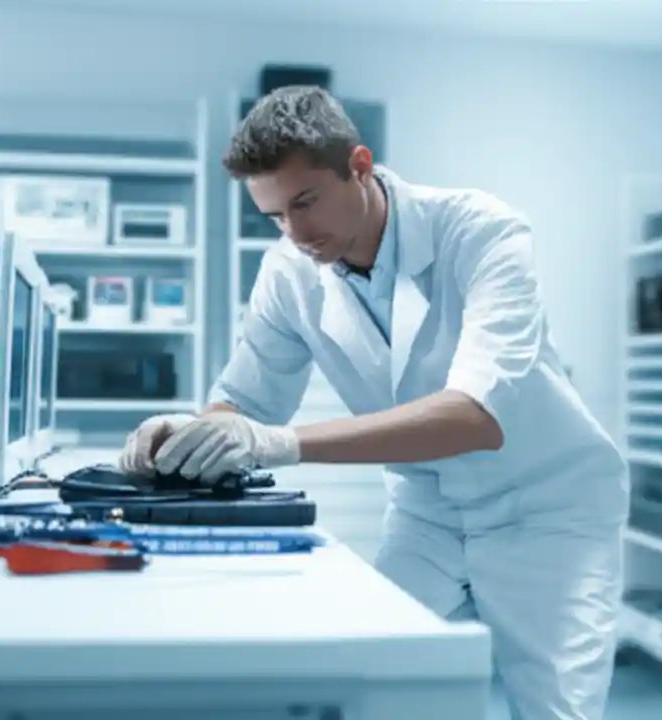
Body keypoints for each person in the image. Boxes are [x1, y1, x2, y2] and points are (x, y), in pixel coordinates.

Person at [119, 86, 628, 720]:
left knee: (557, 713)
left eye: (305, 202)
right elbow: (246, 402)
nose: (296, 233)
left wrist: (285, 444)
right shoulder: (289, 270)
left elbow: (475, 415)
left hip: (548, 514)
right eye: (274, 216)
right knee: (357, 684)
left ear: (359, 165)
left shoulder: (480, 230)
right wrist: (186, 431)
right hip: (428, 515)